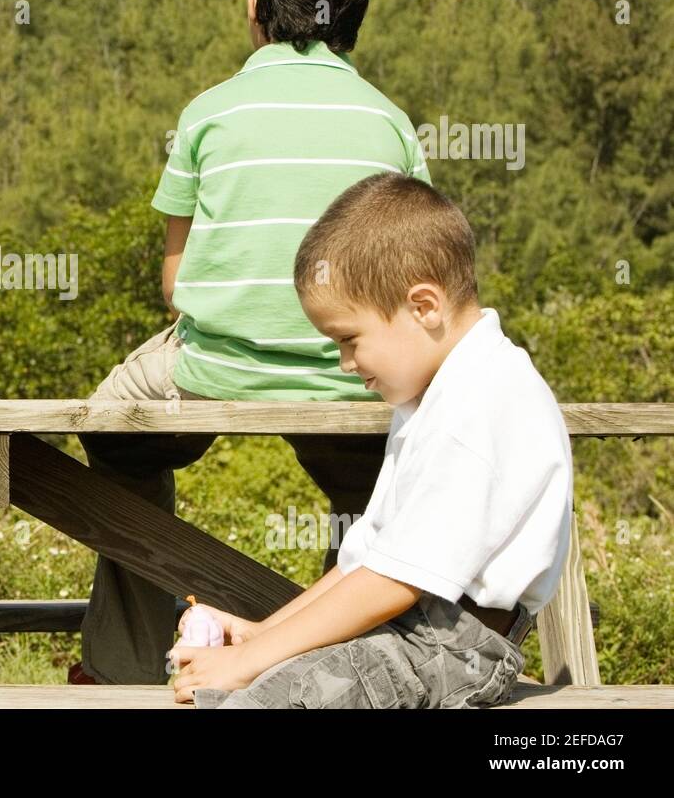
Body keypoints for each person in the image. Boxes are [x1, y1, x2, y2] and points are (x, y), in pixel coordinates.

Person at [74, 0, 431, 685]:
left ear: (253, 0)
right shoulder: (391, 124)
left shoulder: (209, 115)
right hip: (355, 377)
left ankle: (127, 661)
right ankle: (341, 658)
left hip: (212, 370)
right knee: (370, 486)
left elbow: (178, 286)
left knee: (110, 431)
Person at [173, 173, 572, 708]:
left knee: (265, 701)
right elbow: (366, 561)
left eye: (348, 339)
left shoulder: (481, 401)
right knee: (251, 685)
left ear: (424, 306)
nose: (345, 363)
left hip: (449, 647)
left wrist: (247, 662)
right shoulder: (438, 394)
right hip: (412, 634)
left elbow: (392, 582)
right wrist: (260, 636)